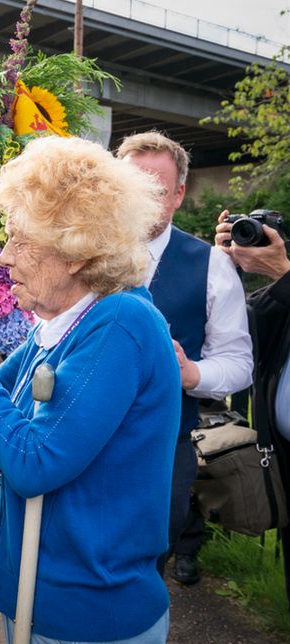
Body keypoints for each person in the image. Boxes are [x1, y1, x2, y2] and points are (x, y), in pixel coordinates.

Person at [0, 136, 180, 644]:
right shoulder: (66, 323)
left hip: (87, 618)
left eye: (20, 241)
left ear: (75, 249)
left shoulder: (120, 323)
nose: (4, 259)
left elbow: (34, 463)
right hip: (38, 598)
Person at [117, 132, 253, 585]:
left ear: (177, 195)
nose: (142, 197)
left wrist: (191, 373)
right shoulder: (83, 252)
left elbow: (237, 362)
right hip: (79, 436)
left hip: (163, 446)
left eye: (156, 187)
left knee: (145, 564)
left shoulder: (211, 264)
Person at [215, 209, 290, 606]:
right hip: (282, 452)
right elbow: (240, 329)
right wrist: (223, 270)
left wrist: (283, 271)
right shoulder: (279, 294)